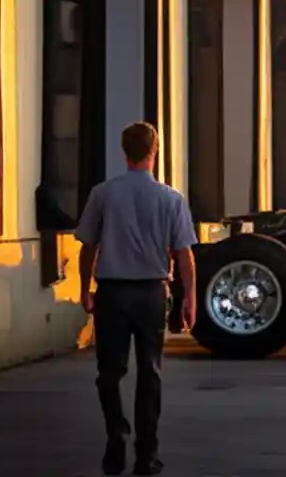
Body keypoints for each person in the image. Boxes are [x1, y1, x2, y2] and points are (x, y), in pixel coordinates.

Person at [76, 122, 198, 476]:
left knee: (109, 373)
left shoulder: (103, 194)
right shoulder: (171, 199)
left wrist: (85, 288)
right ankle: (147, 454)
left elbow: (88, 246)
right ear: (154, 150)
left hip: (112, 292)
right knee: (150, 372)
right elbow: (183, 255)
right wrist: (189, 296)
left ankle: (117, 438)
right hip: (152, 292)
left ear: (123, 150)